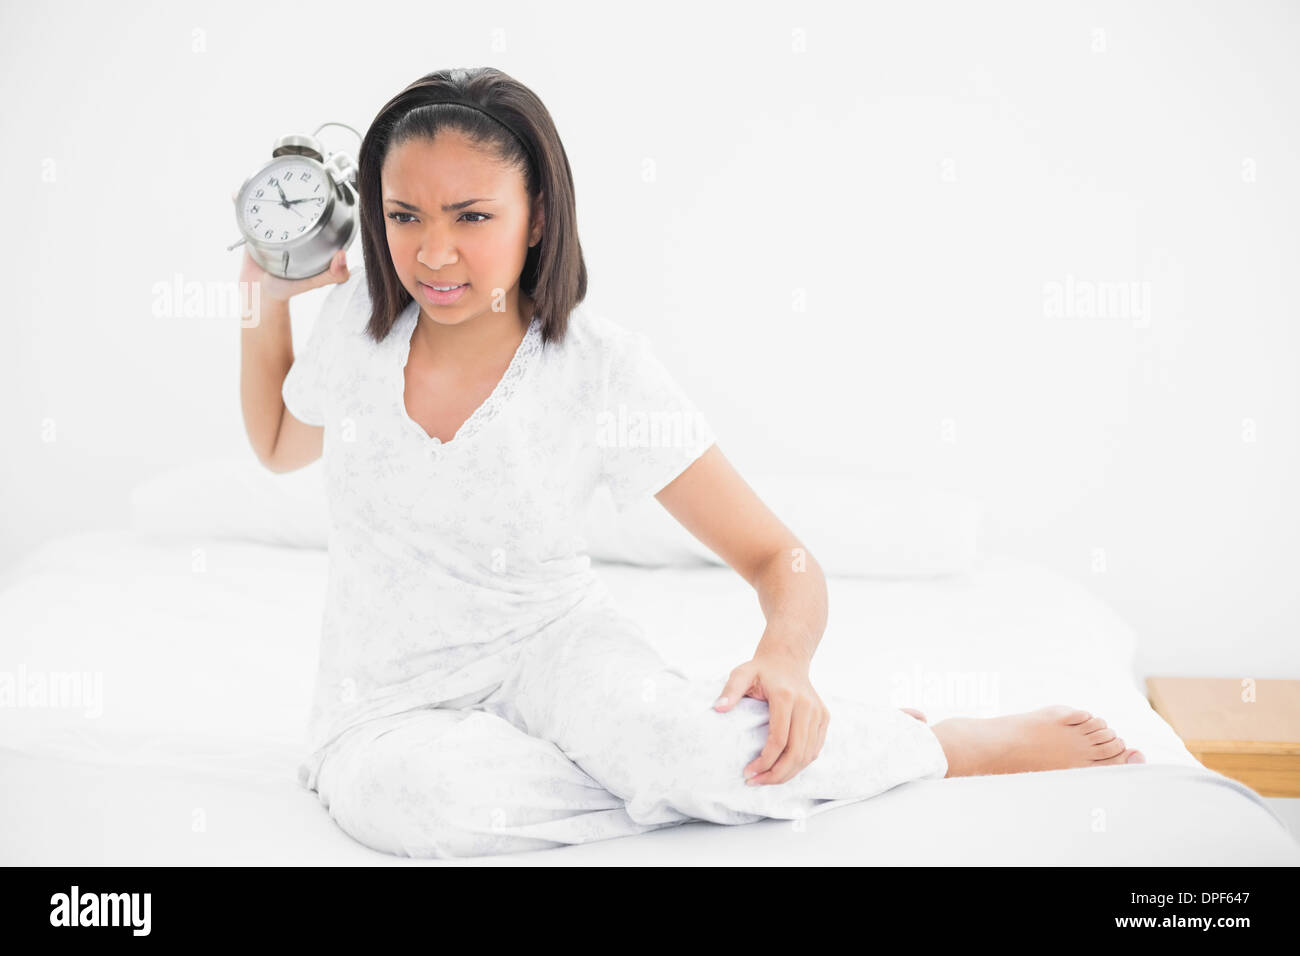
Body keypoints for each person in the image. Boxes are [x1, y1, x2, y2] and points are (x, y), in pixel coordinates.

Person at [238, 66, 1145, 860]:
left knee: (690, 751)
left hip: (555, 650)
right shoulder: (358, 333)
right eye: (405, 216)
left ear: (538, 216)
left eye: (472, 216)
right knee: (424, 806)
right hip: (384, 698)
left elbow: (778, 558)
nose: (434, 252)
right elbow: (279, 445)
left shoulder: (599, 368)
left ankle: (938, 744)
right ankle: (727, 771)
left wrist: (784, 660)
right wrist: (260, 298)